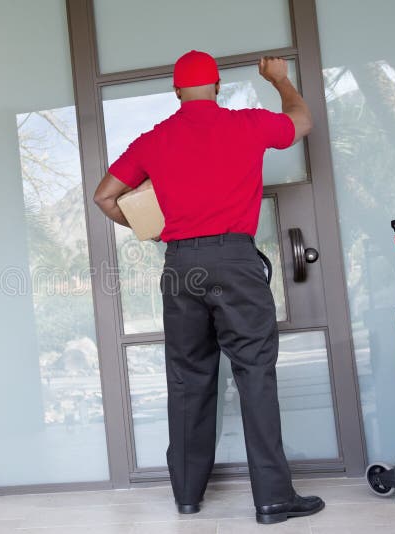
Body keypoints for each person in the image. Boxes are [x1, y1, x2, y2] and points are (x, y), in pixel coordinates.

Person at [93, 50, 325, 525]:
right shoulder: (248, 124)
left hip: (181, 265)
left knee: (188, 378)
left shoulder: (153, 140)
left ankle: (187, 496)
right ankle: (273, 499)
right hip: (234, 260)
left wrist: (154, 231)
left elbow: (104, 196)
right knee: (254, 373)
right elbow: (302, 121)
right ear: (217, 87)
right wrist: (280, 80)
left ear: (176, 91)